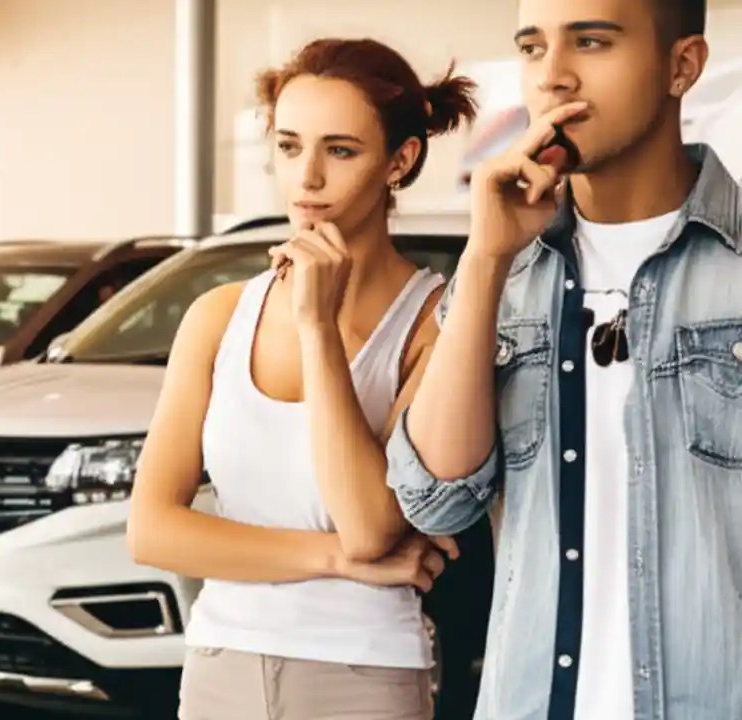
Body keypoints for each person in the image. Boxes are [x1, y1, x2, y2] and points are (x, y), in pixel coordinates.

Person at [386, 0, 742, 718]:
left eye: (592, 41)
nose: (552, 76)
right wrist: (485, 260)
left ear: (683, 66)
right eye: (531, 46)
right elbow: (435, 498)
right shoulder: (504, 273)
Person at [127, 37, 478, 719]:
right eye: (289, 147)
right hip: (219, 662)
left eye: (340, 150)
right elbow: (152, 530)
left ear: (399, 162)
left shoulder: (438, 323)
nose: (306, 179)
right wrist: (337, 561)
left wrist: (318, 328)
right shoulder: (218, 316)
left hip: (365, 669)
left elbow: (372, 525)